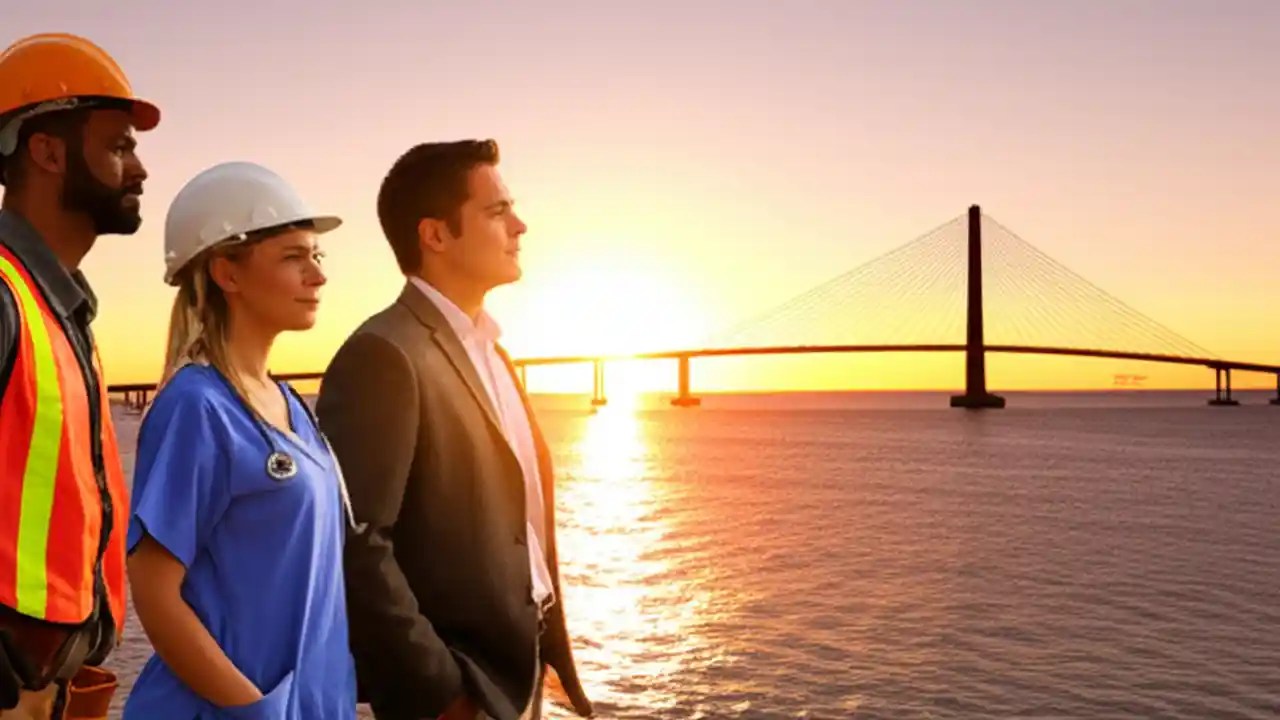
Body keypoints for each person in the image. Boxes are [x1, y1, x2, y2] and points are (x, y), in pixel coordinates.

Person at [316, 139, 594, 720]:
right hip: (461, 693)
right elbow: (357, 542)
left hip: (518, 678)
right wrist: (442, 693)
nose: (519, 226)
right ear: (436, 235)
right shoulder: (383, 353)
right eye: (497, 211)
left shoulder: (493, 351)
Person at [122, 161, 358, 719]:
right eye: (293, 257)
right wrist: (255, 711)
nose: (317, 276)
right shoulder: (198, 407)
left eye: (317, 256)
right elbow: (154, 592)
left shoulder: (291, 404)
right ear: (227, 273)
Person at [0, 32, 159, 719]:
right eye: (119, 146)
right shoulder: (5, 296)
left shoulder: (62, 311)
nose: (140, 168)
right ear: (47, 151)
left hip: (53, 690)